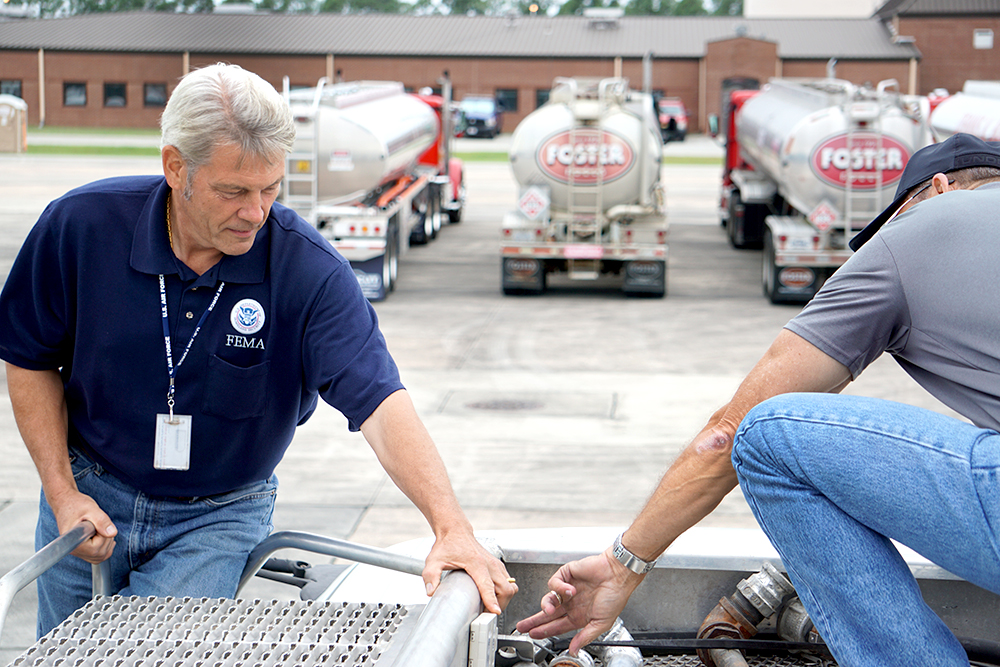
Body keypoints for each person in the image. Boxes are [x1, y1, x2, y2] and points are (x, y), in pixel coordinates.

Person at [0, 63, 515, 638]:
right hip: (87, 494)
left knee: (142, 650)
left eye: (271, 188)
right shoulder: (80, 228)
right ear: (176, 167)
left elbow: (380, 403)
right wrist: (61, 491)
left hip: (216, 515)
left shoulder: (307, 270)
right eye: (234, 191)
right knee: (65, 650)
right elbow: (29, 357)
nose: (257, 212)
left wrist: (450, 527)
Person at [516, 132, 1000, 666]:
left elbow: (728, 432)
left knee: (767, 434)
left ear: (936, 187)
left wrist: (623, 561)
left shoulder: (918, 232)